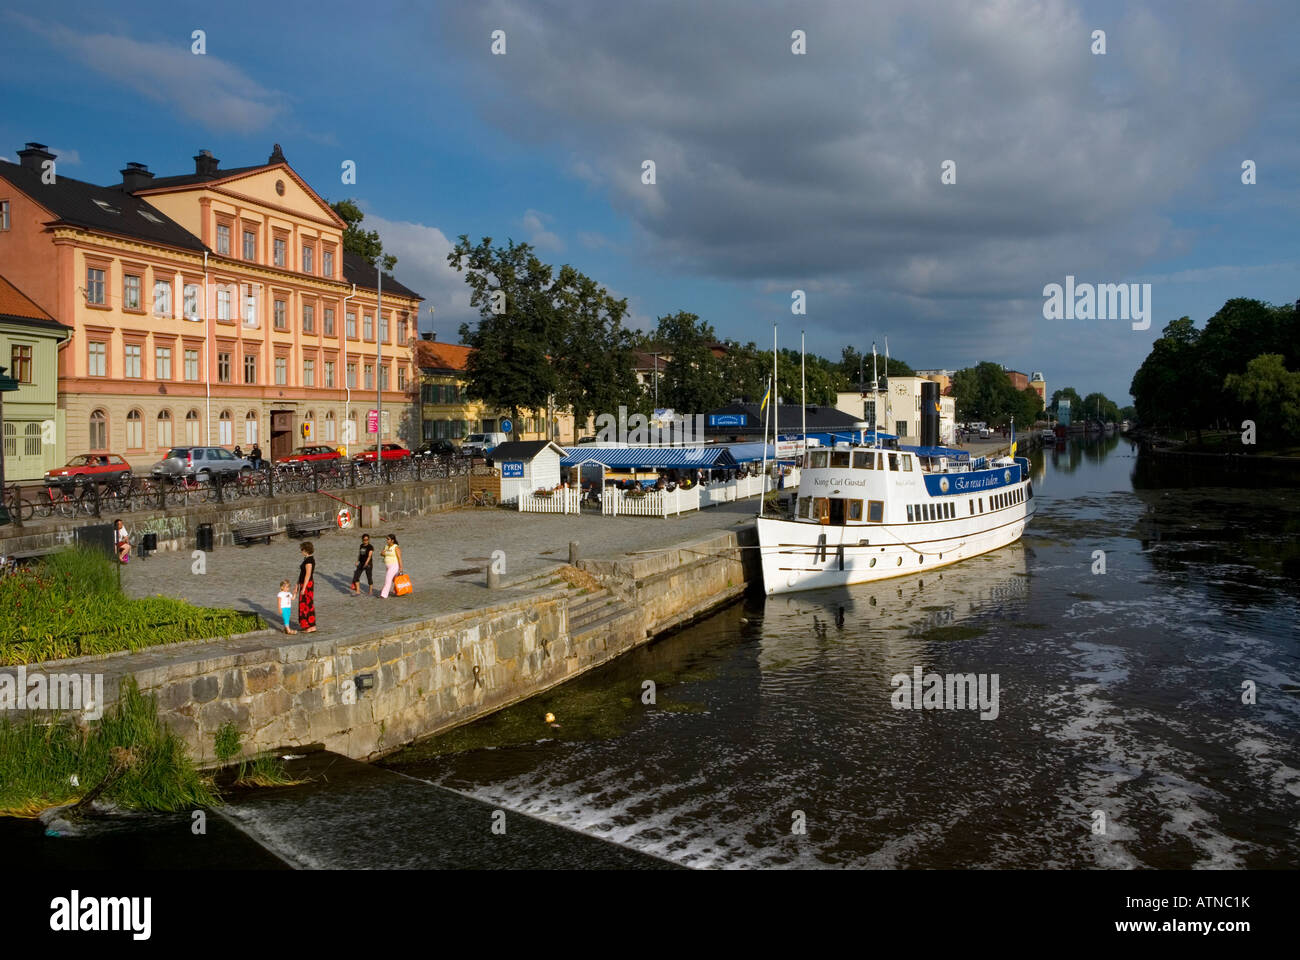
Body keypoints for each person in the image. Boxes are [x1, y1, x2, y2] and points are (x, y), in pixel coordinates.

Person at [295, 541, 317, 632]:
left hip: (307, 584)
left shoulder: (309, 560)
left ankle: (311, 626)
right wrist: (297, 585)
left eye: (302, 549)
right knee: (304, 604)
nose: (301, 551)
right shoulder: (306, 559)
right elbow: (302, 573)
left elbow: (307, 574)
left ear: (306, 550)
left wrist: (303, 588)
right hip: (304, 583)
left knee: (307, 604)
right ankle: (307, 625)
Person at [379, 534, 404, 598]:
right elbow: (382, 553)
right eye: (387, 539)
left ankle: (383, 595)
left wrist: (401, 568)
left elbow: (399, 558)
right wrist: (382, 554)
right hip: (388, 566)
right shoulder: (386, 546)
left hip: (394, 565)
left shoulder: (396, 547)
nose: (387, 540)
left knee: (388, 579)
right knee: (395, 580)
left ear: (392, 540)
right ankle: (399, 590)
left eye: (388, 539)